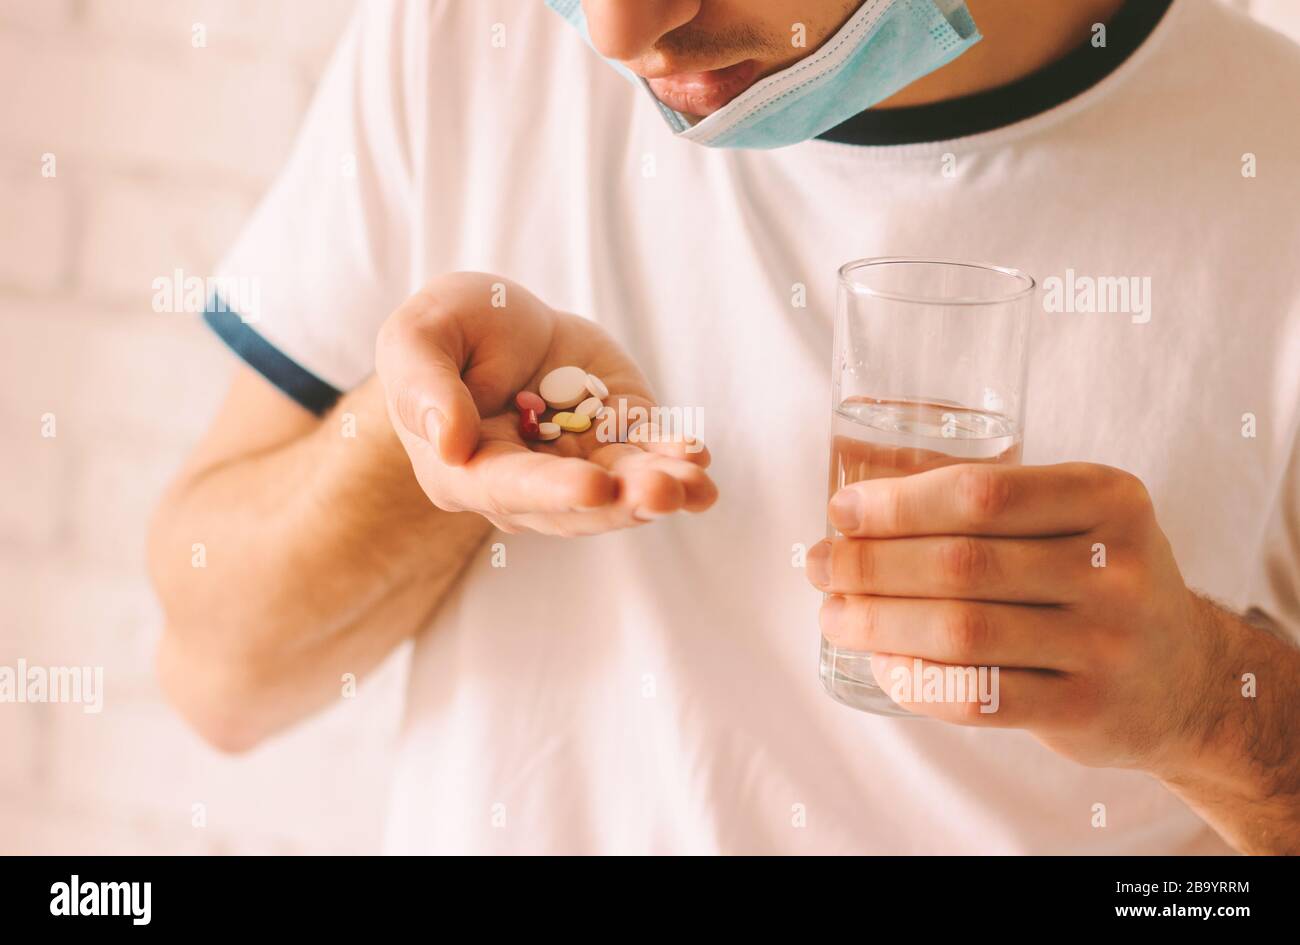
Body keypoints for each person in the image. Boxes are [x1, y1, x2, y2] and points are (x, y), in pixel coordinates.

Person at [148, 0, 1300, 854]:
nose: (613, 33)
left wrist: (1204, 703)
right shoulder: (465, 36)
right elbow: (217, 680)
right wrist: (431, 450)